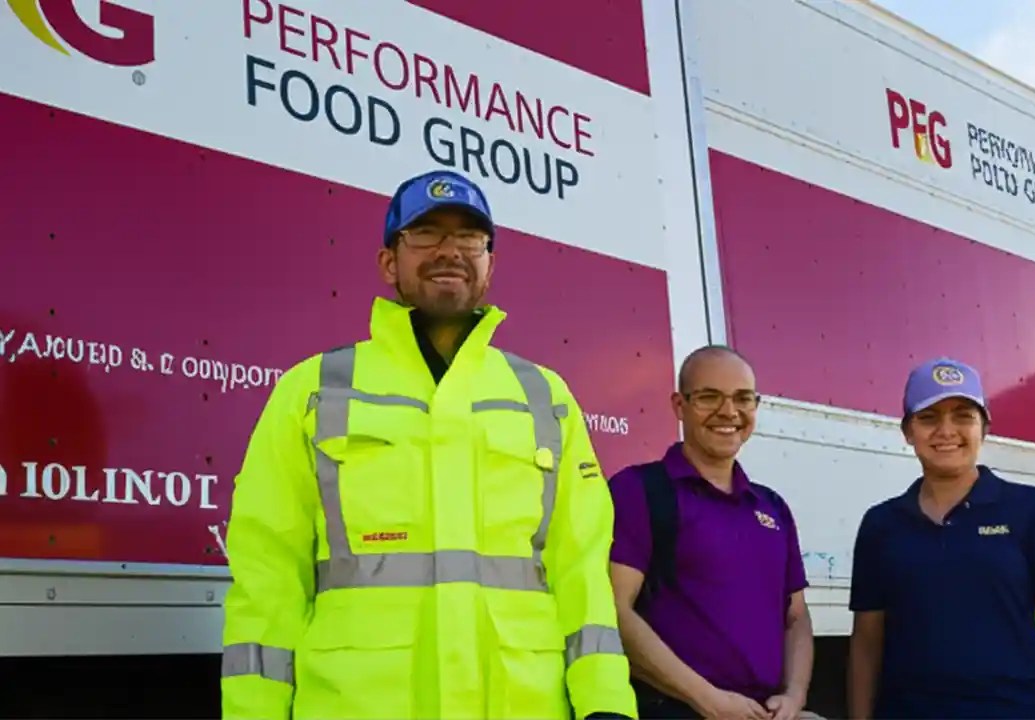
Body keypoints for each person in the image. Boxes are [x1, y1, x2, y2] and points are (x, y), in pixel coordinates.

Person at [218, 169, 637, 720]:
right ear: (389, 261)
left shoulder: (544, 395)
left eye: (469, 237)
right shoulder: (314, 389)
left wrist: (605, 703)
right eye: (425, 234)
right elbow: (268, 577)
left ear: (490, 264)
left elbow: (580, 569)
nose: (449, 251)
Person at [846, 357, 1035, 719]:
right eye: (928, 417)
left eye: (963, 415)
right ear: (908, 431)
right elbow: (866, 644)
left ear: (984, 427)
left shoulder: (1031, 509)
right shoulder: (882, 524)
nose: (946, 430)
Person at [607, 345, 818, 719]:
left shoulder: (772, 508)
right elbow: (614, 610)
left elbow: (796, 618)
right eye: (709, 397)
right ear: (679, 405)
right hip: (677, 709)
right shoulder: (639, 491)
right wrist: (706, 699)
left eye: (743, 399)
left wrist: (795, 696)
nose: (728, 412)